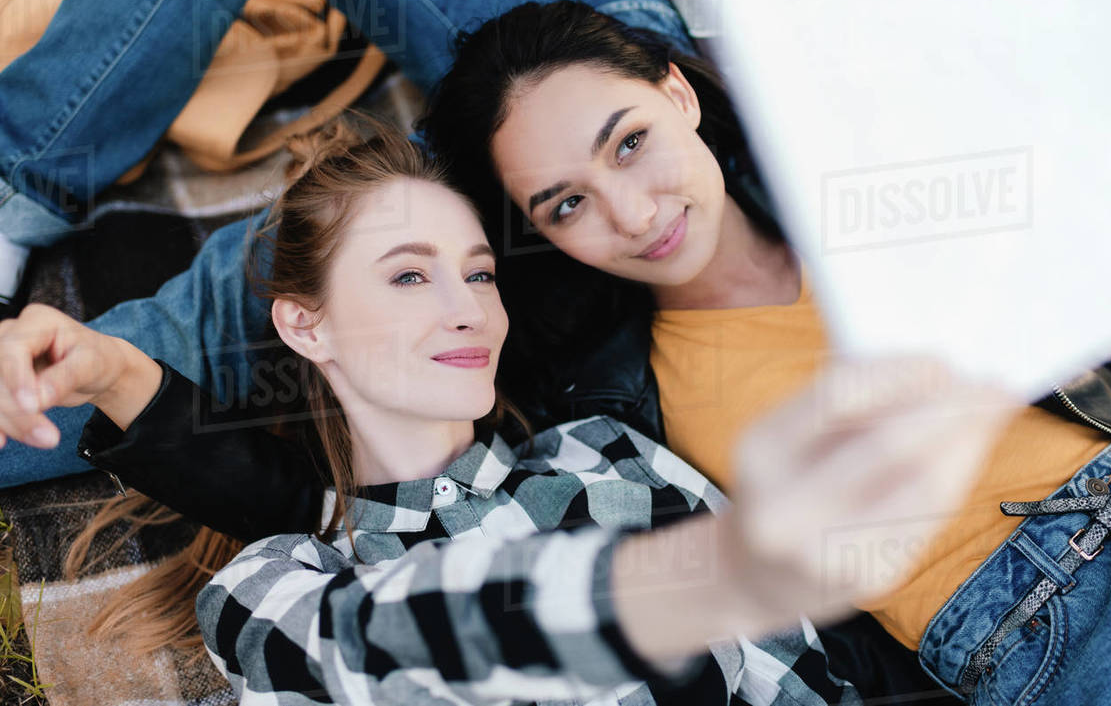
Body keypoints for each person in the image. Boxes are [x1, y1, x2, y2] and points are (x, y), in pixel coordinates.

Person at [0, 117, 1010, 704]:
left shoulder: (607, 453)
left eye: (479, 274)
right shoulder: (277, 585)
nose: (465, 309)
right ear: (309, 329)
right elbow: (387, 649)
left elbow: (811, 674)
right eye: (407, 277)